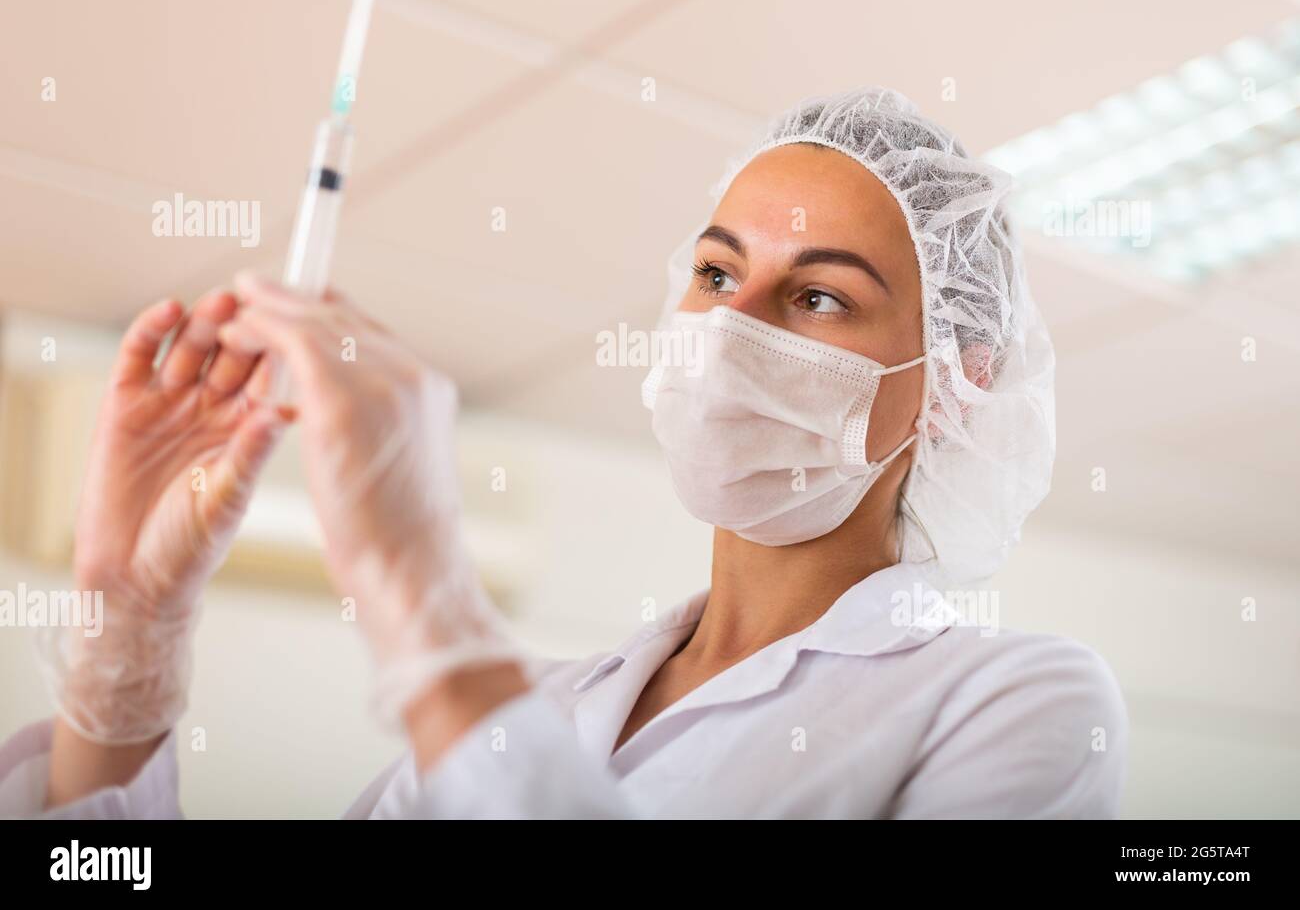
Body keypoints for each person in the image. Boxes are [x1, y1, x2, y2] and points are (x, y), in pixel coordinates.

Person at [0, 87, 1127, 819]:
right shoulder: (535, 704)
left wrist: (422, 588)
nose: (735, 329)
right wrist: (129, 632)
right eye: (718, 274)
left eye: (820, 295)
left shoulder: (1015, 698)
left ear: (957, 380)